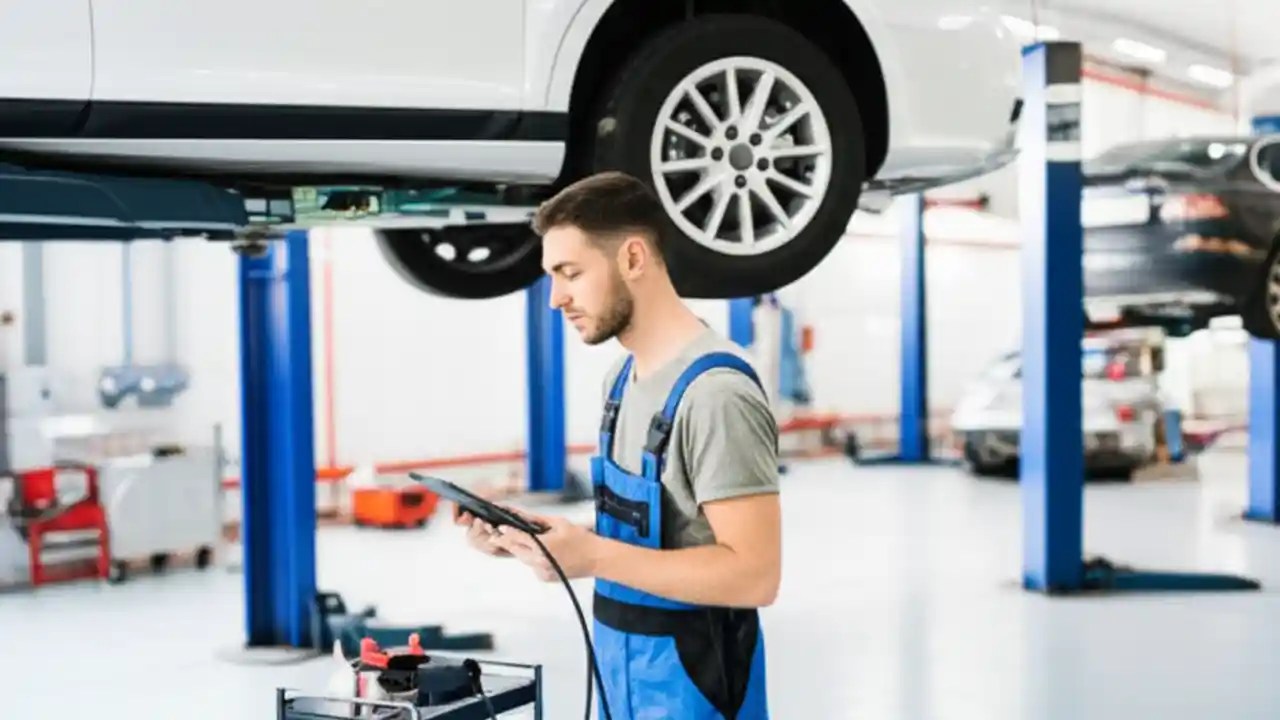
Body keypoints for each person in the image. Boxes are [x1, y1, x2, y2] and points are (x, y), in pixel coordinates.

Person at [454, 171, 781, 719]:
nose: (556, 298)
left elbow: (755, 575)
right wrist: (543, 542)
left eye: (570, 273)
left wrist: (594, 556)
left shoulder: (716, 394)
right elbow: (651, 539)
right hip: (621, 670)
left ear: (633, 259)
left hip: (696, 685)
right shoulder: (620, 382)